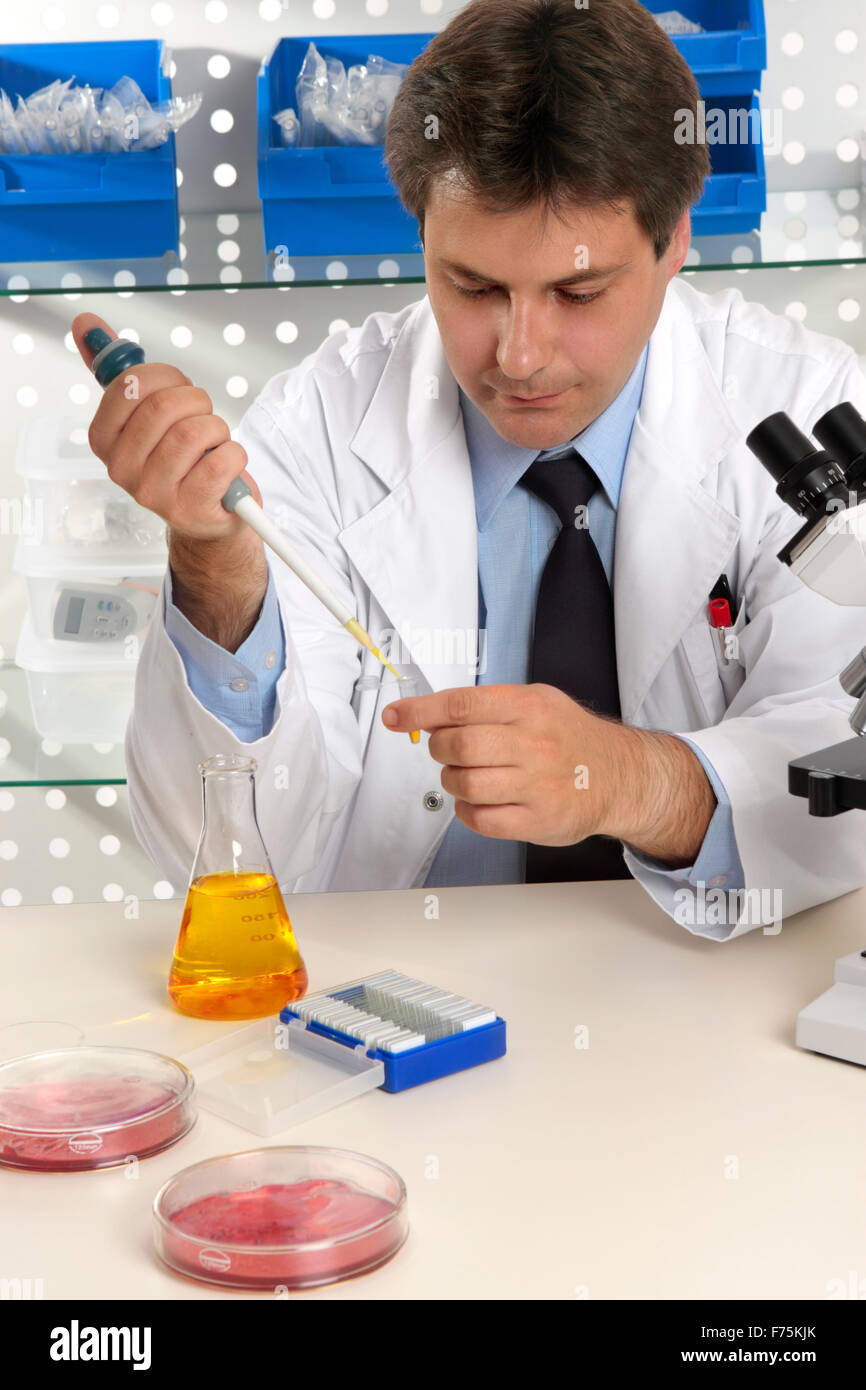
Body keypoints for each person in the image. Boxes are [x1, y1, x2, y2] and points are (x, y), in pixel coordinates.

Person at [73, 0, 866, 940]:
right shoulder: (317, 427)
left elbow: (838, 792)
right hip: (400, 989)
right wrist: (211, 562)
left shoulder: (803, 406)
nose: (520, 355)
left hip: (707, 985)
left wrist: (627, 779)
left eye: (577, 292)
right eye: (474, 286)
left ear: (674, 243)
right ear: (421, 239)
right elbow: (227, 849)